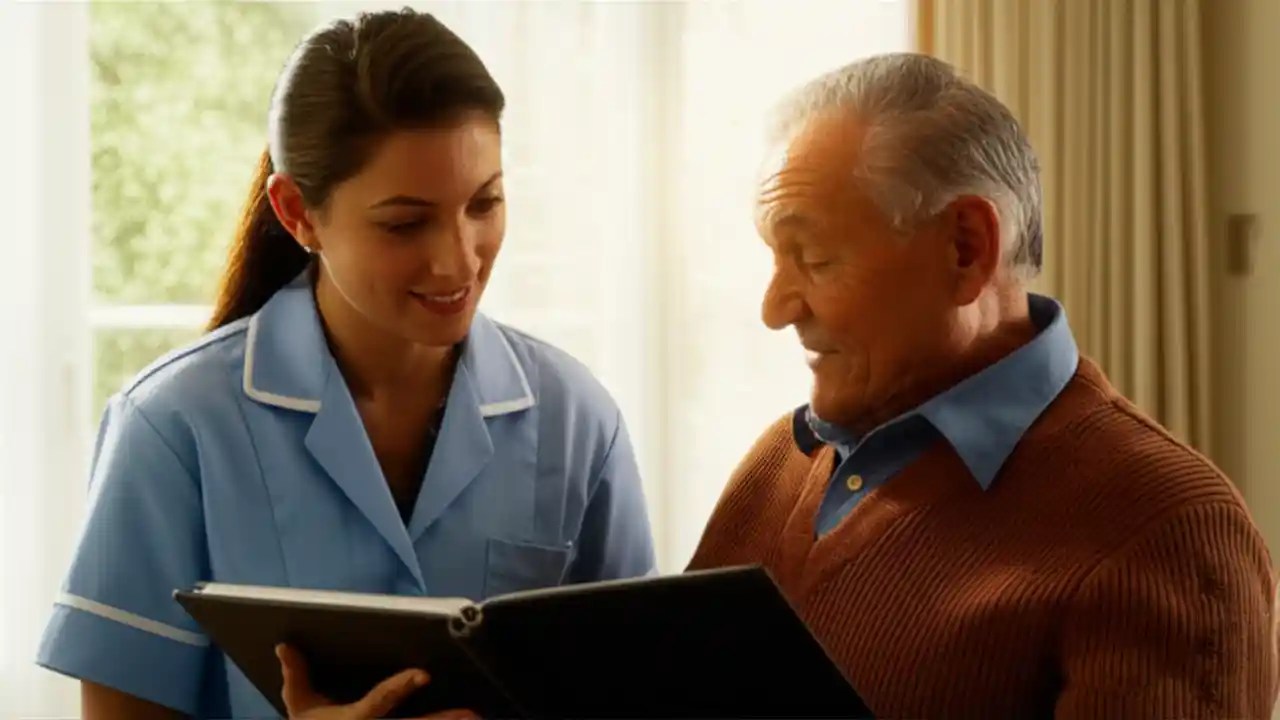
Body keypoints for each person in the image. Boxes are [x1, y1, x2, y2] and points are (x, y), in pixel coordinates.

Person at [35, 8, 655, 720]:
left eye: (484, 203)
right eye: (405, 222)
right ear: (298, 212)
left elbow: (639, 694)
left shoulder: (579, 421)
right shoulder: (173, 428)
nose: (460, 258)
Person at [687, 53, 1279, 718]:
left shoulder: (1164, 525)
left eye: (816, 260)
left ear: (965, 248)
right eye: (775, 261)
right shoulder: (776, 467)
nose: (775, 309)